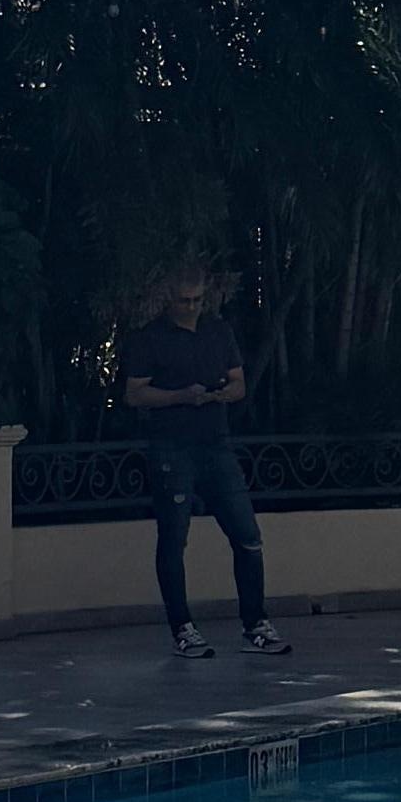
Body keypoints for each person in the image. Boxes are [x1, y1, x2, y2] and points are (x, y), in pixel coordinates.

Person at [119, 264, 287, 659]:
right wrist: (180, 396)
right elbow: (134, 394)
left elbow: (239, 381)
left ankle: (255, 623)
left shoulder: (218, 331)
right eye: (184, 301)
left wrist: (224, 393)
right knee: (174, 538)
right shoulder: (150, 338)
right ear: (170, 299)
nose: (191, 307)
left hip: (216, 444)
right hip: (171, 447)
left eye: (197, 300)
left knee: (247, 534)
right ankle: (183, 627)